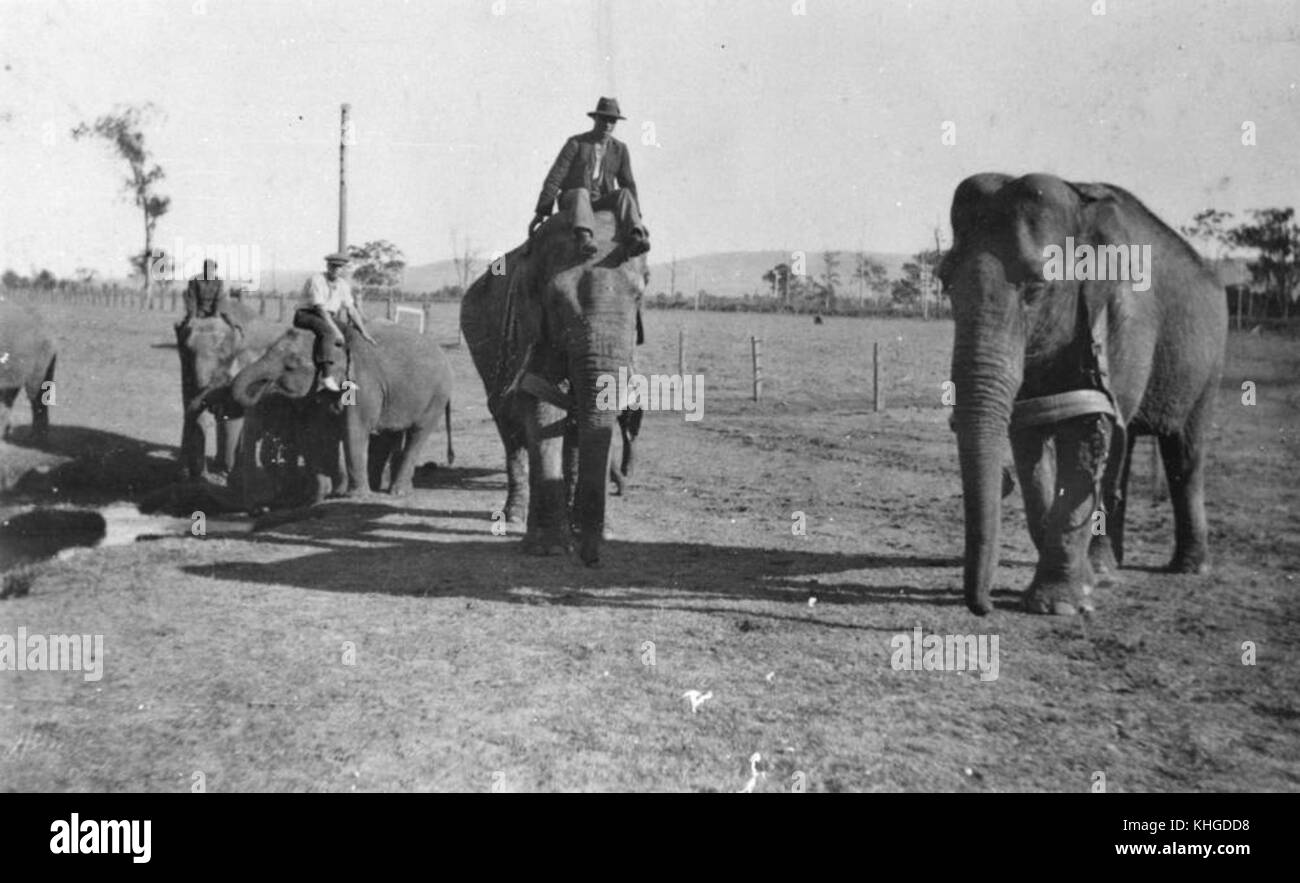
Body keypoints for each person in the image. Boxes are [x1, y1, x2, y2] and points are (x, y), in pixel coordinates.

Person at [529, 97, 650, 258]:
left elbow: (628, 183)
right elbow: (555, 176)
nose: (608, 125)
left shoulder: (619, 149)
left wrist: (637, 216)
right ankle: (585, 237)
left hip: (600, 199)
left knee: (625, 193)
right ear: (595, 119)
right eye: (604, 119)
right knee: (581, 192)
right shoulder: (576, 143)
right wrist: (542, 210)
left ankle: (635, 235)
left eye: (612, 121)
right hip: (574, 198)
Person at [294, 252, 375, 392]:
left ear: (343, 269)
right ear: (328, 266)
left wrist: (364, 332)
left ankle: (349, 380)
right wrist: (336, 331)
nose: (336, 270)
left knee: (352, 335)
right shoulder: (317, 280)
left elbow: (351, 309)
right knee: (328, 333)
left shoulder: (343, 284)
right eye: (333, 266)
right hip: (307, 314)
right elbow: (320, 309)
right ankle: (326, 376)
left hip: (327, 316)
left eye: (340, 267)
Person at [180, 258, 242, 332]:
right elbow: (192, 299)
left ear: (214, 269)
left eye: (211, 268)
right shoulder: (194, 280)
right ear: (203, 268)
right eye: (207, 267)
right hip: (199, 308)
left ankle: (237, 331)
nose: (209, 270)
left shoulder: (218, 281)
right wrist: (193, 315)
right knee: (187, 326)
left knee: (230, 321)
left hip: (215, 308)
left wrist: (216, 314)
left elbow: (219, 299)